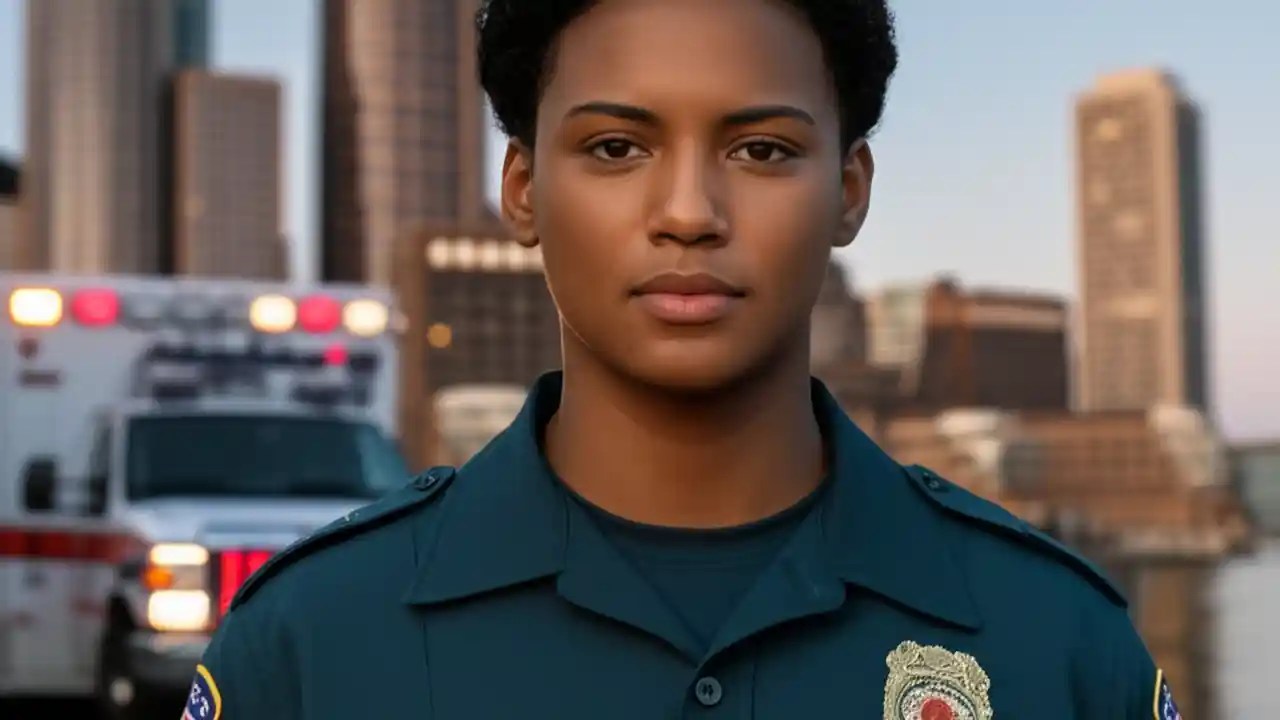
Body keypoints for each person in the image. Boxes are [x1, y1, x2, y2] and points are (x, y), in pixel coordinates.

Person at [183, 0, 1183, 717]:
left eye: (760, 151)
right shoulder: (312, 641)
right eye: (616, 148)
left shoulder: (1054, 640)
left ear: (847, 190)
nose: (688, 215)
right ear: (523, 191)